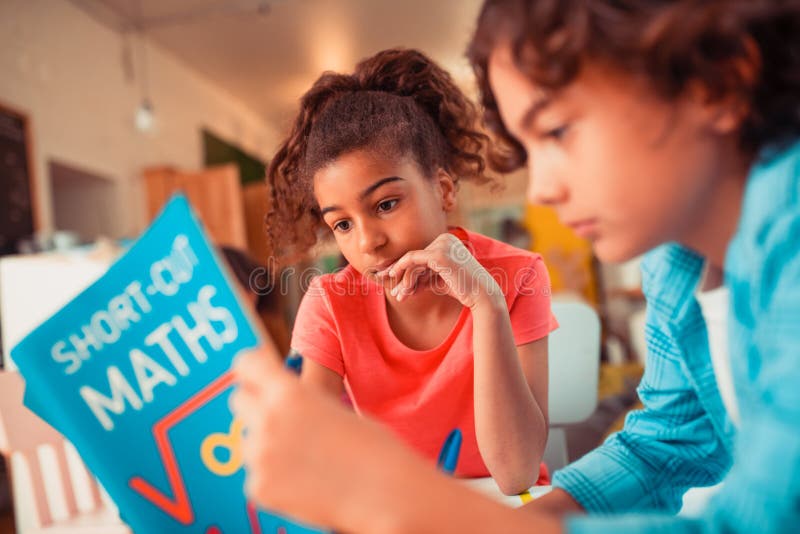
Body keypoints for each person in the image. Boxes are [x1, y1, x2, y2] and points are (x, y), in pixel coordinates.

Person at [232, 0, 800, 532]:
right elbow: (666, 444)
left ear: (718, 82)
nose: (543, 190)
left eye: (557, 130)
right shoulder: (675, 264)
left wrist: (405, 503)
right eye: (342, 224)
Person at [256, 48, 557, 494]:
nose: (368, 241)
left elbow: (515, 474)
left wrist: (487, 304)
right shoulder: (330, 305)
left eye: (386, 204)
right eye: (342, 224)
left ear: (443, 189)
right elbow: (311, 460)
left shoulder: (519, 274)